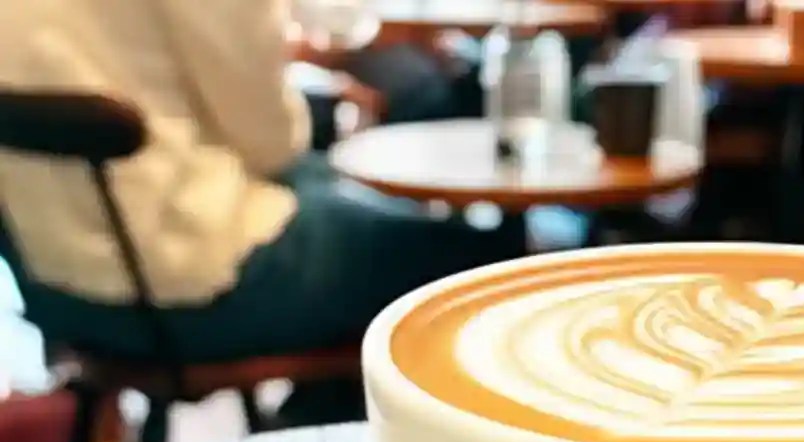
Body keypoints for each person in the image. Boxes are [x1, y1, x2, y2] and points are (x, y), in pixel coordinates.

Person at [0, 0, 522, 368]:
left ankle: (307, 425)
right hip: (187, 287)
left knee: (344, 194)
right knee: (481, 261)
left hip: (55, 289)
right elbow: (270, 142)